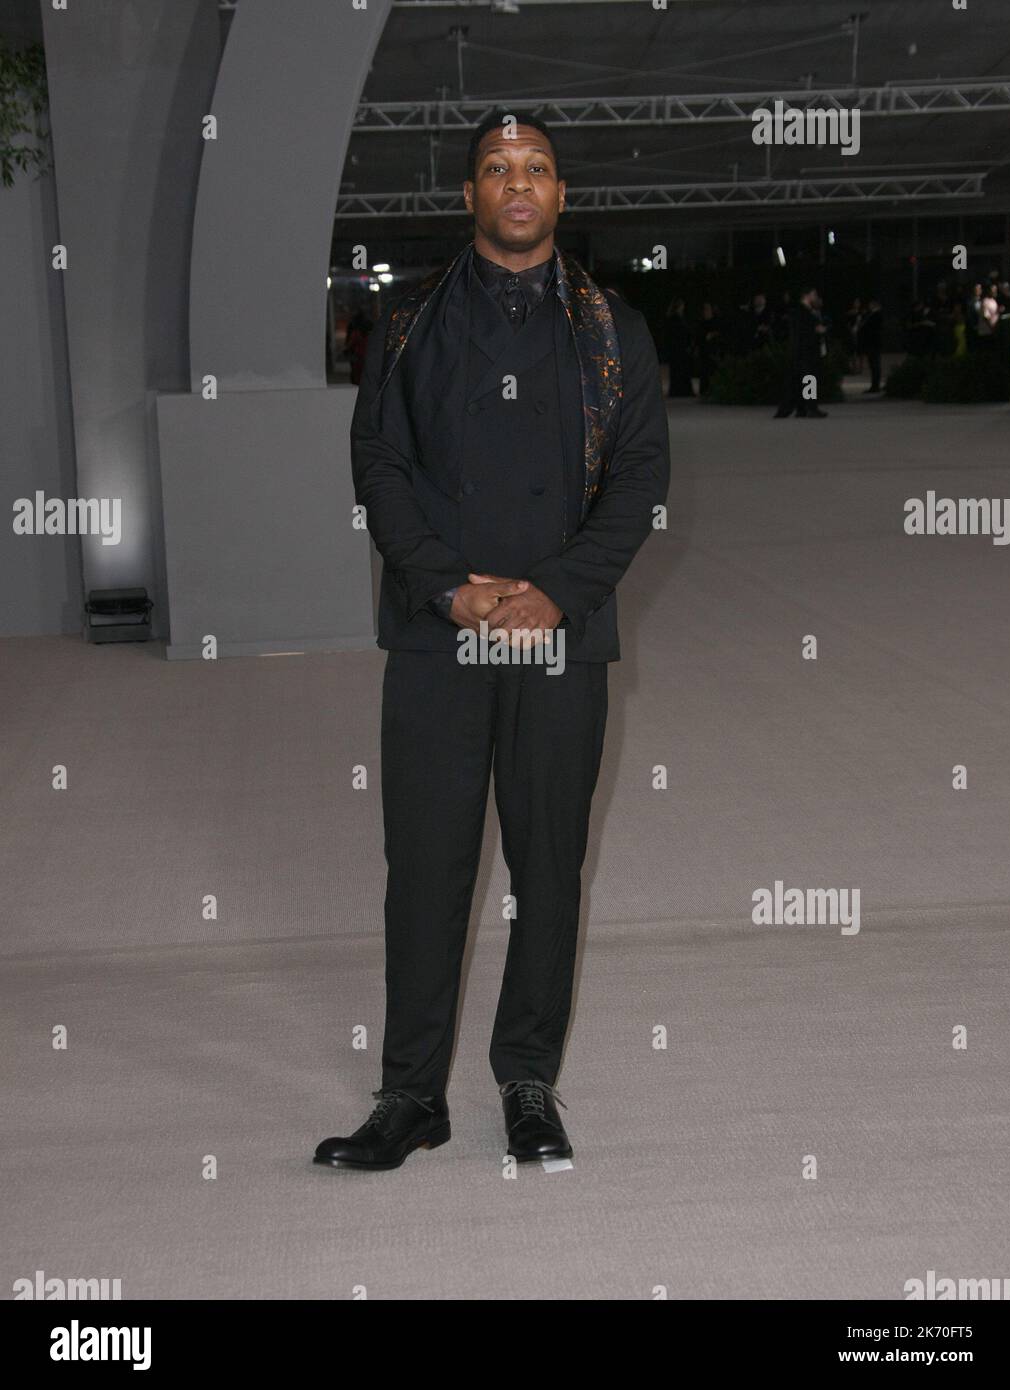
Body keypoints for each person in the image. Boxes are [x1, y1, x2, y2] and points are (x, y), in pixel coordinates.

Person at [315, 108, 670, 1171]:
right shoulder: (412, 319)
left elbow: (642, 480)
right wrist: (442, 589)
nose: (519, 184)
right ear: (469, 193)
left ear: (561, 194)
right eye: (497, 168)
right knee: (424, 865)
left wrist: (555, 593)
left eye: (538, 168)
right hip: (440, 637)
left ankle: (527, 1081)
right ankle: (411, 1093)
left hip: (559, 638)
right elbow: (376, 461)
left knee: (548, 864)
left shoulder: (614, 328)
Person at [774, 285, 829, 418]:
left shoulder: (804, 311)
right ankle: (810, 408)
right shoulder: (801, 312)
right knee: (809, 379)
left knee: (800, 380)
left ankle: (801, 408)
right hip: (805, 351)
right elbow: (801, 332)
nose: (816, 297)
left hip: (801, 352)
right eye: (814, 294)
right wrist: (817, 331)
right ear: (807, 295)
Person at [663, 296, 695, 395]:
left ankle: (679, 390)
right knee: (679, 370)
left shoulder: (677, 319)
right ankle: (681, 390)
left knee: (679, 370)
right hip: (679, 349)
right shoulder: (676, 319)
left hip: (678, 349)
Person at [859, 298, 883, 394]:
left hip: (873, 343)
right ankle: (874, 385)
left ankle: (875, 386)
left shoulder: (877, 315)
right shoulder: (872, 315)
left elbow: (872, 328)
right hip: (872, 343)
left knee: (875, 364)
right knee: (873, 364)